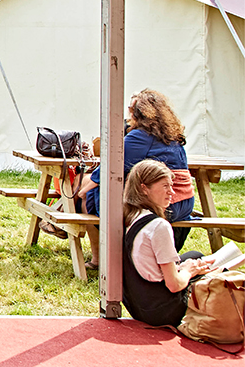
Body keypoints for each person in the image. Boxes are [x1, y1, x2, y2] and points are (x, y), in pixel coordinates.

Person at [77, 88, 195, 269]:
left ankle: (101, 259)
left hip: (166, 203)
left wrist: (83, 191)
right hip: (185, 203)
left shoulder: (140, 136)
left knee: (93, 193)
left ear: (138, 113)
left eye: (130, 110)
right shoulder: (172, 136)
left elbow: (111, 165)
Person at [121, 159, 215, 327]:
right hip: (161, 311)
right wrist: (187, 272)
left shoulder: (131, 215)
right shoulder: (158, 226)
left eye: (171, 186)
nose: (172, 192)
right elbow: (174, 285)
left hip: (138, 306)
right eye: (165, 186)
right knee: (211, 269)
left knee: (196, 256)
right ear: (144, 188)